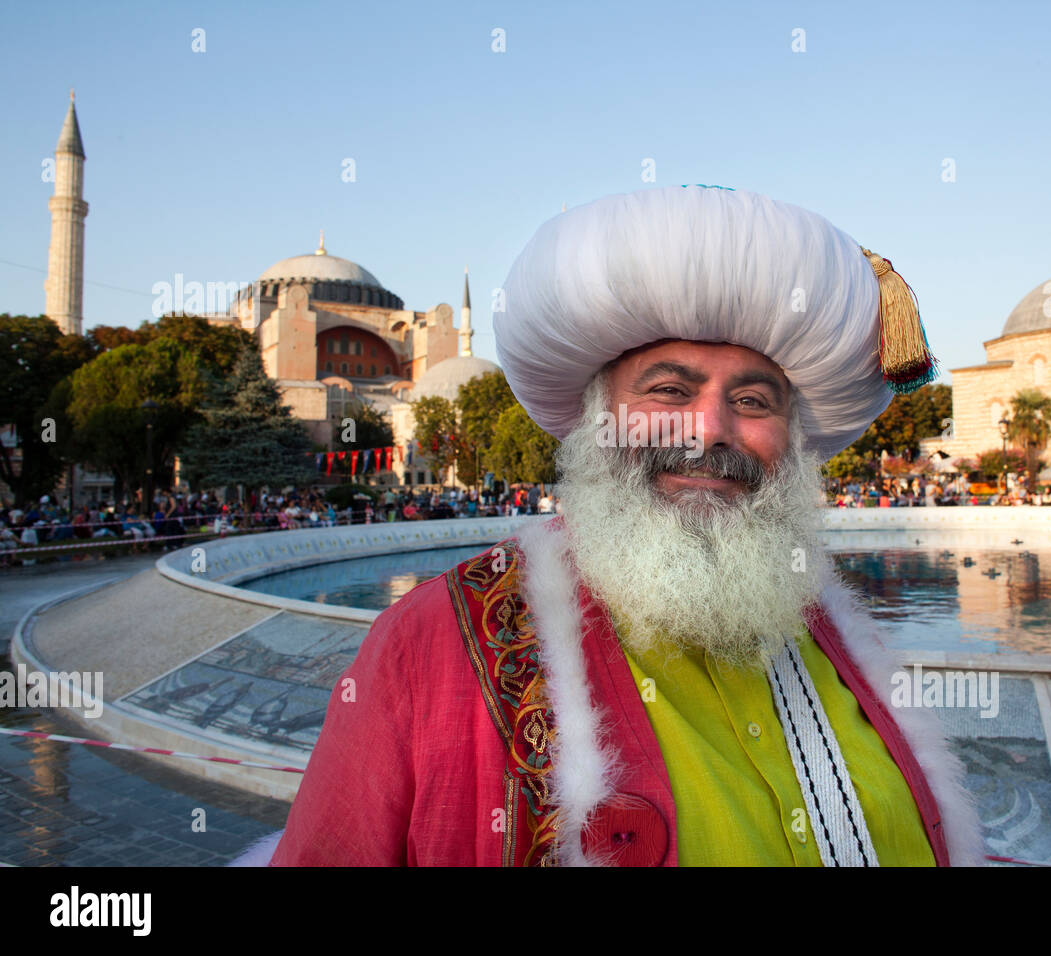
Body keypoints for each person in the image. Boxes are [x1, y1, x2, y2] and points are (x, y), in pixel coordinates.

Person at [258, 185, 983, 868]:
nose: (710, 430)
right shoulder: (426, 649)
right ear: (596, 418)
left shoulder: (837, 640)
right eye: (669, 390)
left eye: (755, 400)